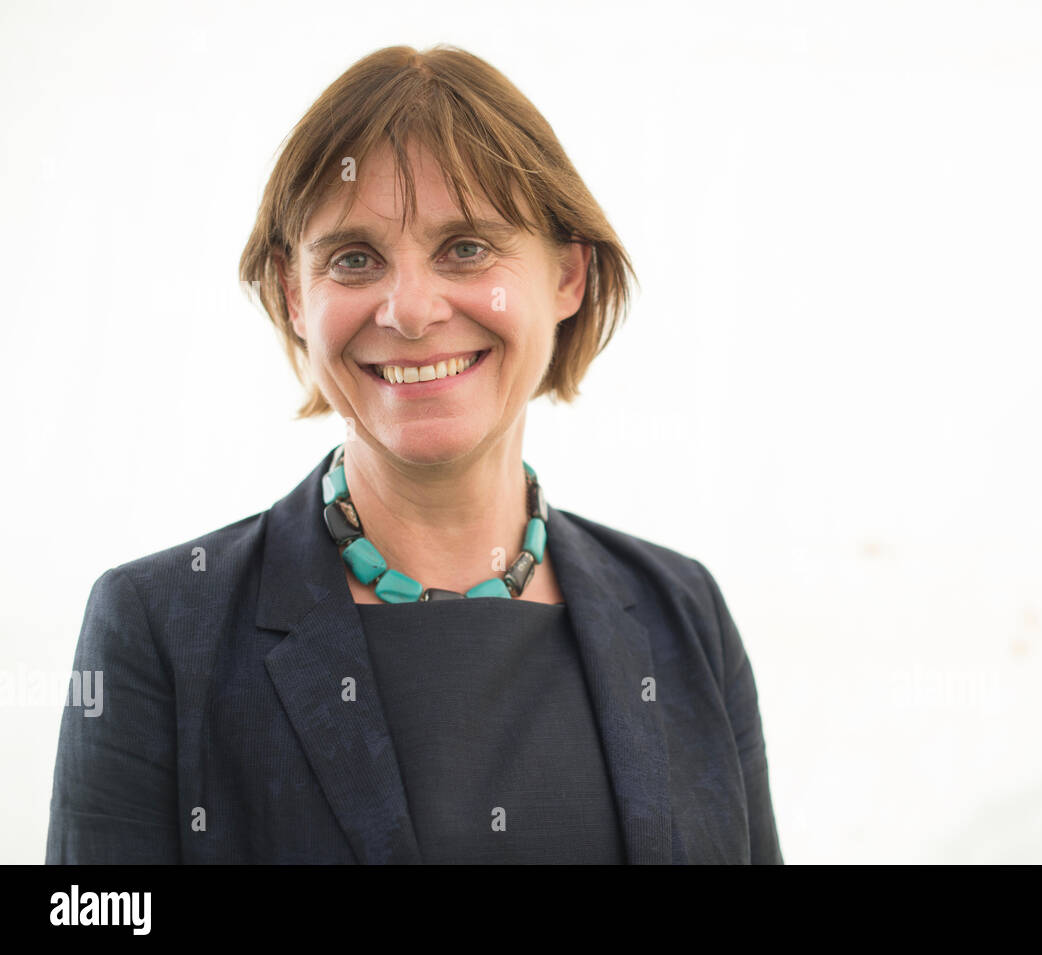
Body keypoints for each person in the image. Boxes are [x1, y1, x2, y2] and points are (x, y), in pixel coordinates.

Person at [45, 43, 782, 864]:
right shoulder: (158, 630)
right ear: (296, 296)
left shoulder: (686, 616)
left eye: (465, 247)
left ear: (568, 275)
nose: (410, 309)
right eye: (354, 259)